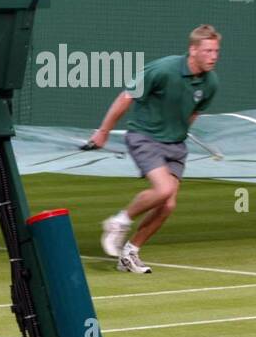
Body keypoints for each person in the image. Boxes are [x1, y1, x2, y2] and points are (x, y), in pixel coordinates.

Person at [88, 25, 221, 274]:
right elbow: (126, 97)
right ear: (193, 50)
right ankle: (119, 221)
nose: (213, 56)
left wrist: (177, 132)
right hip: (144, 137)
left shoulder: (211, 82)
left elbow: (193, 113)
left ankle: (130, 253)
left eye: (216, 51)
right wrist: (103, 131)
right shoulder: (162, 70)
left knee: (167, 205)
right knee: (164, 189)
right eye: (208, 51)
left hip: (176, 145)